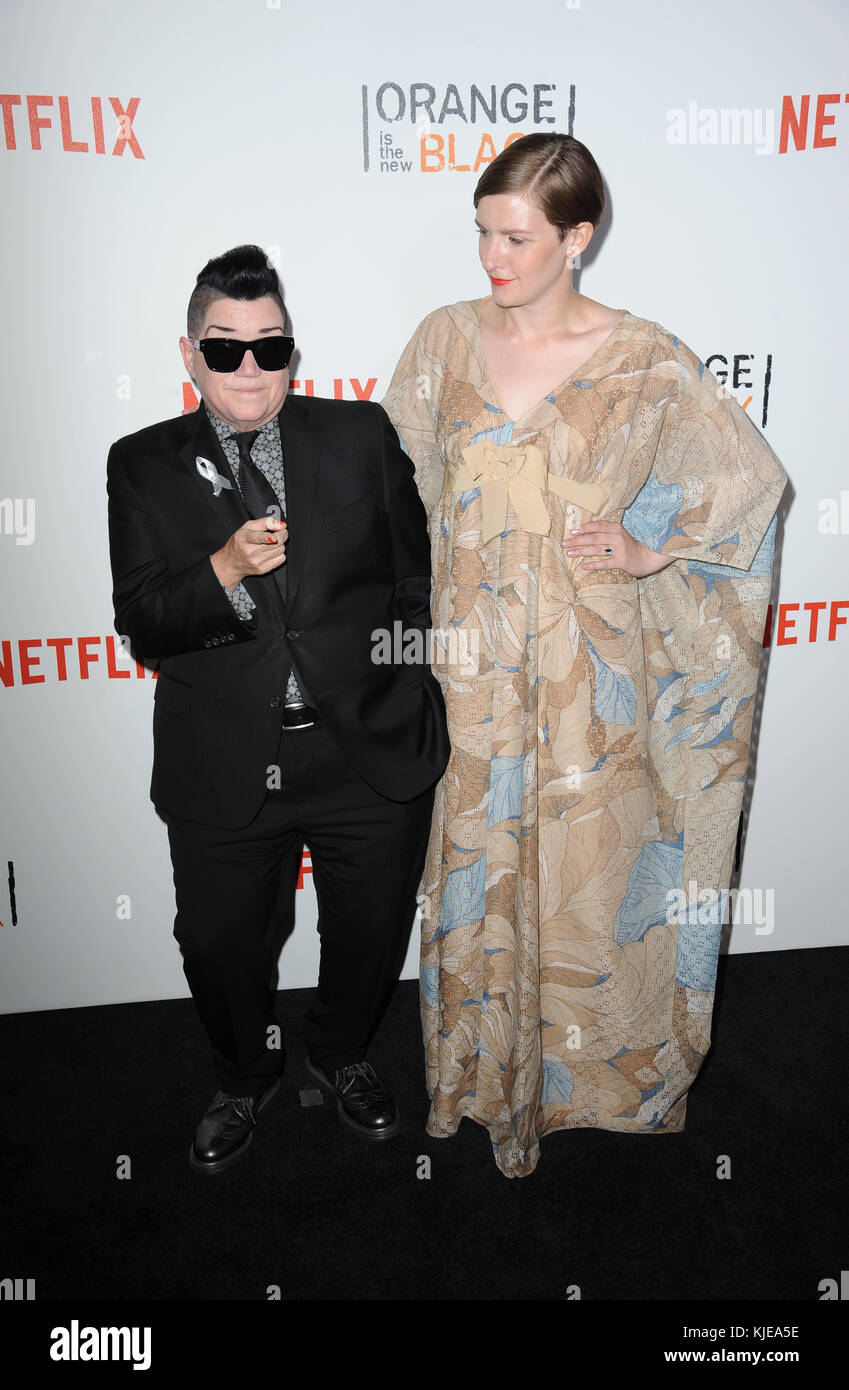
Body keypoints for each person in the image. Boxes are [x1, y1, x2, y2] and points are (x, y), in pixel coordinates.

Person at [382, 133, 788, 1179]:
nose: (491, 257)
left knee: (586, 878)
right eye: (482, 231)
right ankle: (478, 1076)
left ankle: (598, 1083)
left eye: (515, 236)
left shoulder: (647, 355)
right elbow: (390, 495)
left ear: (577, 237)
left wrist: (658, 548)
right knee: (478, 870)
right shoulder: (441, 342)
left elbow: (745, 481)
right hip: (470, 668)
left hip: (589, 684)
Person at [107, 244, 449, 1174]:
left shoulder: (358, 434)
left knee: (372, 935)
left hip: (363, 756)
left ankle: (338, 1054)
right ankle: (241, 1075)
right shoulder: (140, 467)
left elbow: (414, 580)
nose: (249, 368)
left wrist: (403, 682)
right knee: (219, 948)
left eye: (271, 347)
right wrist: (221, 570)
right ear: (190, 356)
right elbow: (141, 622)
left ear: (292, 353)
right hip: (221, 759)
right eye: (225, 350)